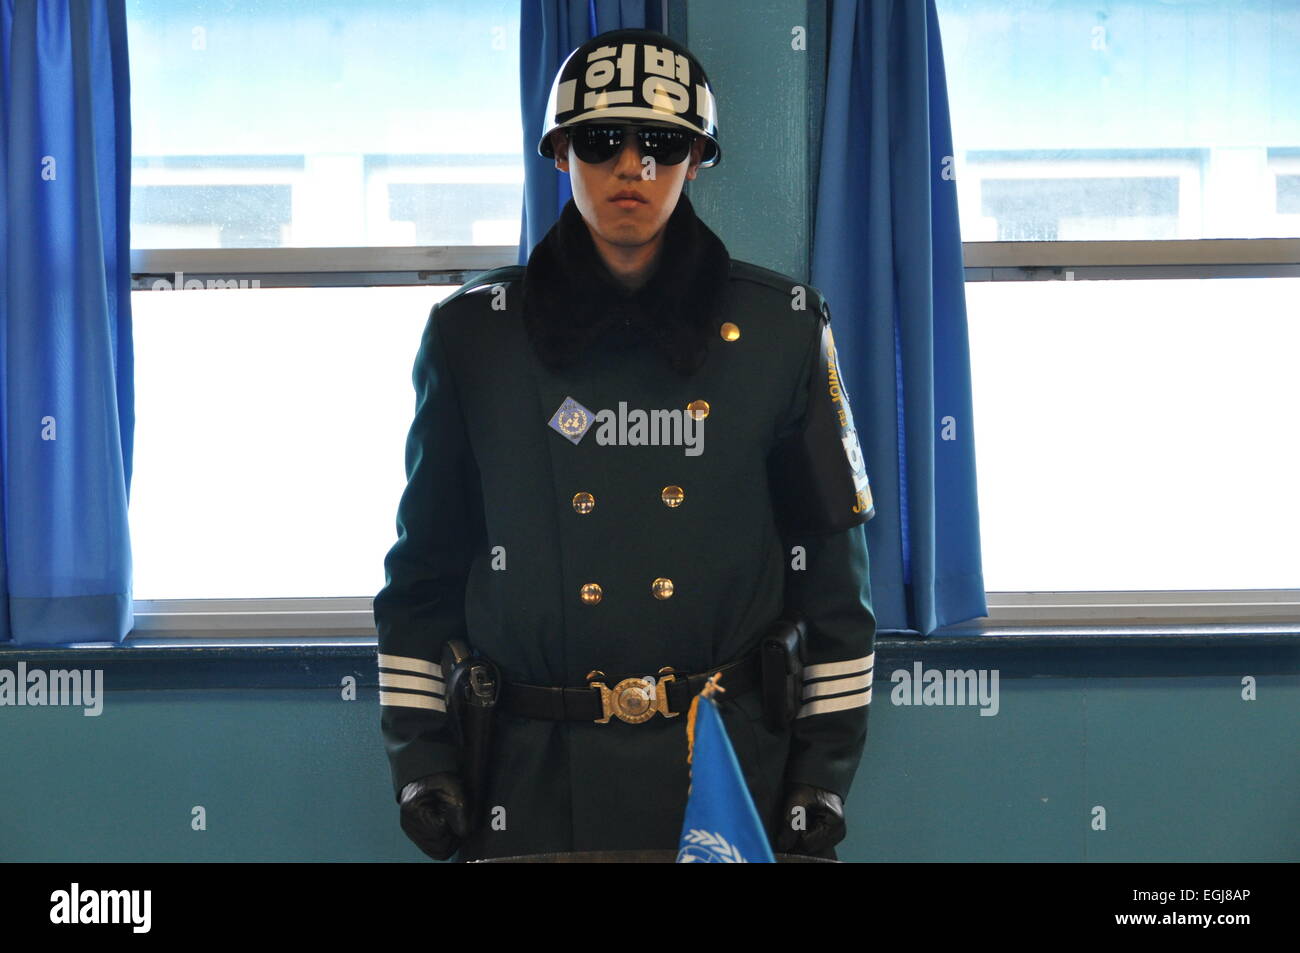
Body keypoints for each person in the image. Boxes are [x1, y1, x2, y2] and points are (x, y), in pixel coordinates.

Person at [373, 27, 877, 862]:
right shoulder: (473, 338)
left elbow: (832, 587)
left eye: (663, 143)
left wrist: (820, 777)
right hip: (526, 782)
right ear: (561, 152)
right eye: (603, 140)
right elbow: (421, 576)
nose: (632, 167)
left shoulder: (783, 332)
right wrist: (423, 763)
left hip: (722, 776)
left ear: (696, 158)